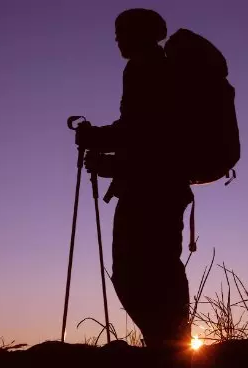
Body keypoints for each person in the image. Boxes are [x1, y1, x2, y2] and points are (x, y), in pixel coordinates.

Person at [75, 8, 193, 350]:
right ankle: (168, 340)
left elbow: (143, 131)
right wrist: (109, 163)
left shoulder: (146, 68)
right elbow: (151, 142)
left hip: (152, 190)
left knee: (138, 268)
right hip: (159, 185)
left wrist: (96, 138)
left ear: (139, 33)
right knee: (152, 265)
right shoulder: (155, 67)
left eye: (121, 31)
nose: (116, 39)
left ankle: (168, 342)